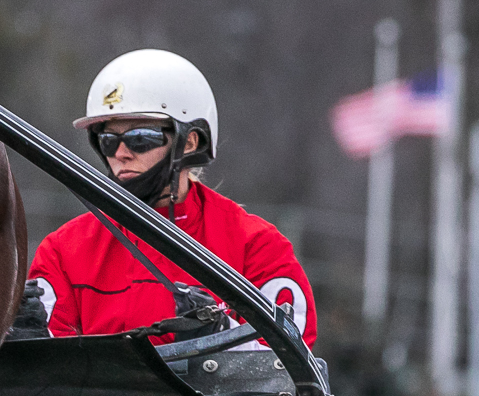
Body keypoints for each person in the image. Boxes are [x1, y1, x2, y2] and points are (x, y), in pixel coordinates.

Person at [26, 49, 316, 344]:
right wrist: (18, 340)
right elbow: (47, 370)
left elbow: (287, 361)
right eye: (109, 140)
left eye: (140, 138)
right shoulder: (63, 251)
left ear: (189, 142)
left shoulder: (258, 246)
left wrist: (221, 335)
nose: (121, 153)